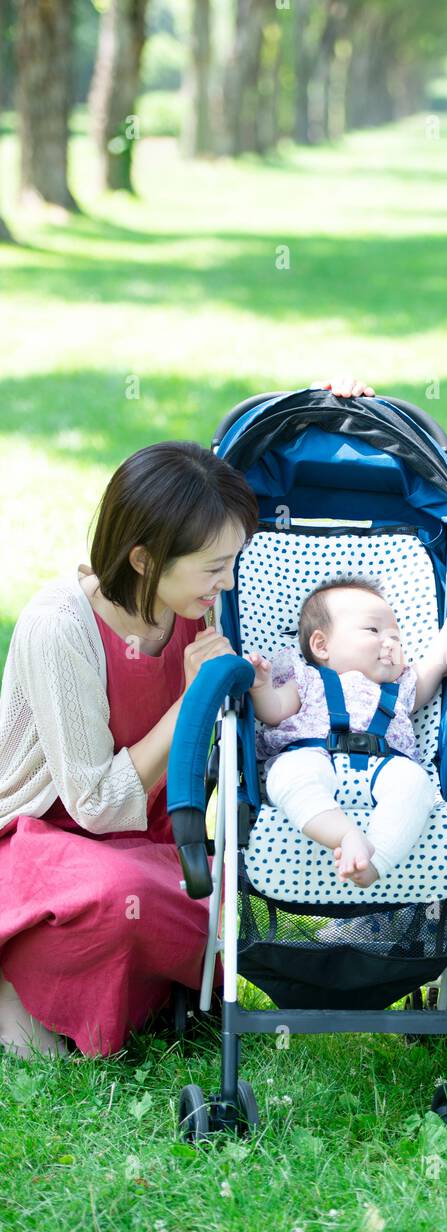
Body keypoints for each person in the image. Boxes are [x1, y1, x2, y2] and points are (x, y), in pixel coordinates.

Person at [0, 377, 373, 1061]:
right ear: (143, 558)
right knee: (123, 898)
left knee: (221, 910)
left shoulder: (197, 605)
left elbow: (209, 475)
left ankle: (114, 995)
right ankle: (19, 982)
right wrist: (188, 702)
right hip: (45, 840)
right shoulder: (62, 628)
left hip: (158, 838)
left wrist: (330, 413)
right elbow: (96, 805)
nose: (226, 582)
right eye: (213, 566)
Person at [246, 573, 447, 887]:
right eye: (374, 631)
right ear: (321, 645)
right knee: (288, 772)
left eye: (396, 637)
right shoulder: (308, 679)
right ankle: (345, 835)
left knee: (416, 784)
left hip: (387, 766)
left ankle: (374, 863)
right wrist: (261, 687)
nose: (389, 643)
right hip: (314, 756)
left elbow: (439, 661)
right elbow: (273, 711)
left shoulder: (401, 686)